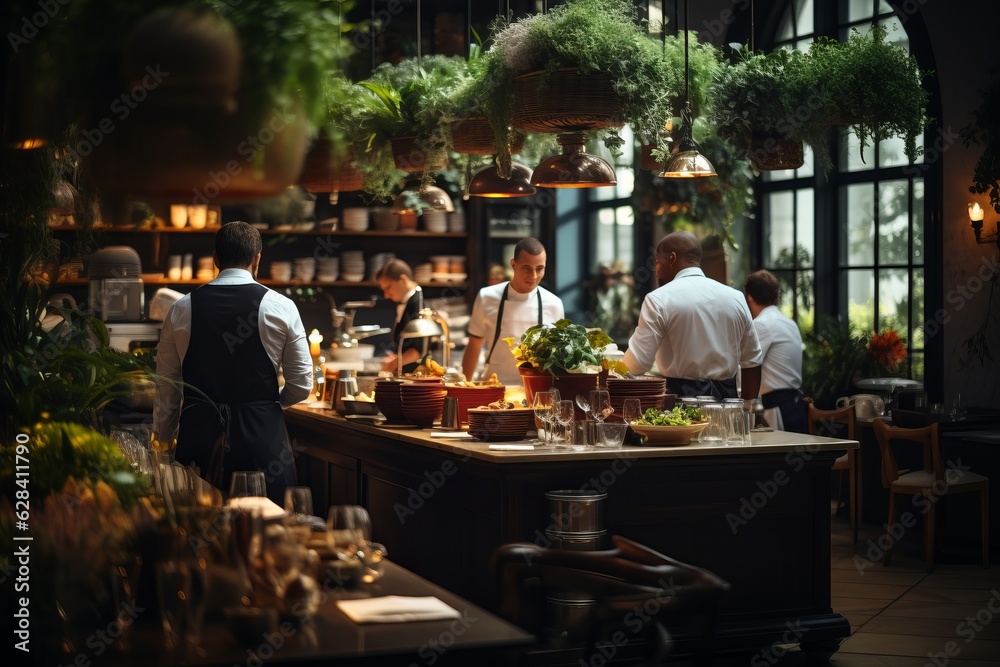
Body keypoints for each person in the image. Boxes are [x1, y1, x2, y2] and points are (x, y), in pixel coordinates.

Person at [154, 221, 312, 504]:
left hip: (199, 438)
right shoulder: (281, 306)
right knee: (267, 524)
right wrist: (264, 404)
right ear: (257, 259)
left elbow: (168, 388)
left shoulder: (180, 309)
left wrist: (163, 443)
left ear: (215, 258)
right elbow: (301, 386)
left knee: (197, 523)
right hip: (262, 441)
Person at [623, 231, 762, 400]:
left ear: (672, 258)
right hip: (728, 404)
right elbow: (752, 361)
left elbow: (638, 362)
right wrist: (747, 409)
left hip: (680, 405)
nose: (657, 271)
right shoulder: (736, 298)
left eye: (658, 263)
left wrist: (612, 369)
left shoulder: (659, 299)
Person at [462, 238, 564, 386]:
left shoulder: (554, 304)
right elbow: (474, 344)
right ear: (513, 265)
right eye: (527, 268)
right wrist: (464, 387)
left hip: (537, 391)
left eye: (539, 268)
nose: (533, 276)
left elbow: (557, 358)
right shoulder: (486, 297)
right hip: (494, 387)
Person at [743, 269, 807, 432]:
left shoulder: (762, 324)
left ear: (749, 297)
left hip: (777, 408)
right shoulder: (789, 323)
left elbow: (746, 362)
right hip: (795, 404)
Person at [376, 259, 424, 374]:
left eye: (388, 287)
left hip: (414, 375)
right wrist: (396, 358)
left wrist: (392, 365)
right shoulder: (406, 302)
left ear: (403, 279)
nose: (386, 295)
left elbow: (418, 350)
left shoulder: (417, 304)